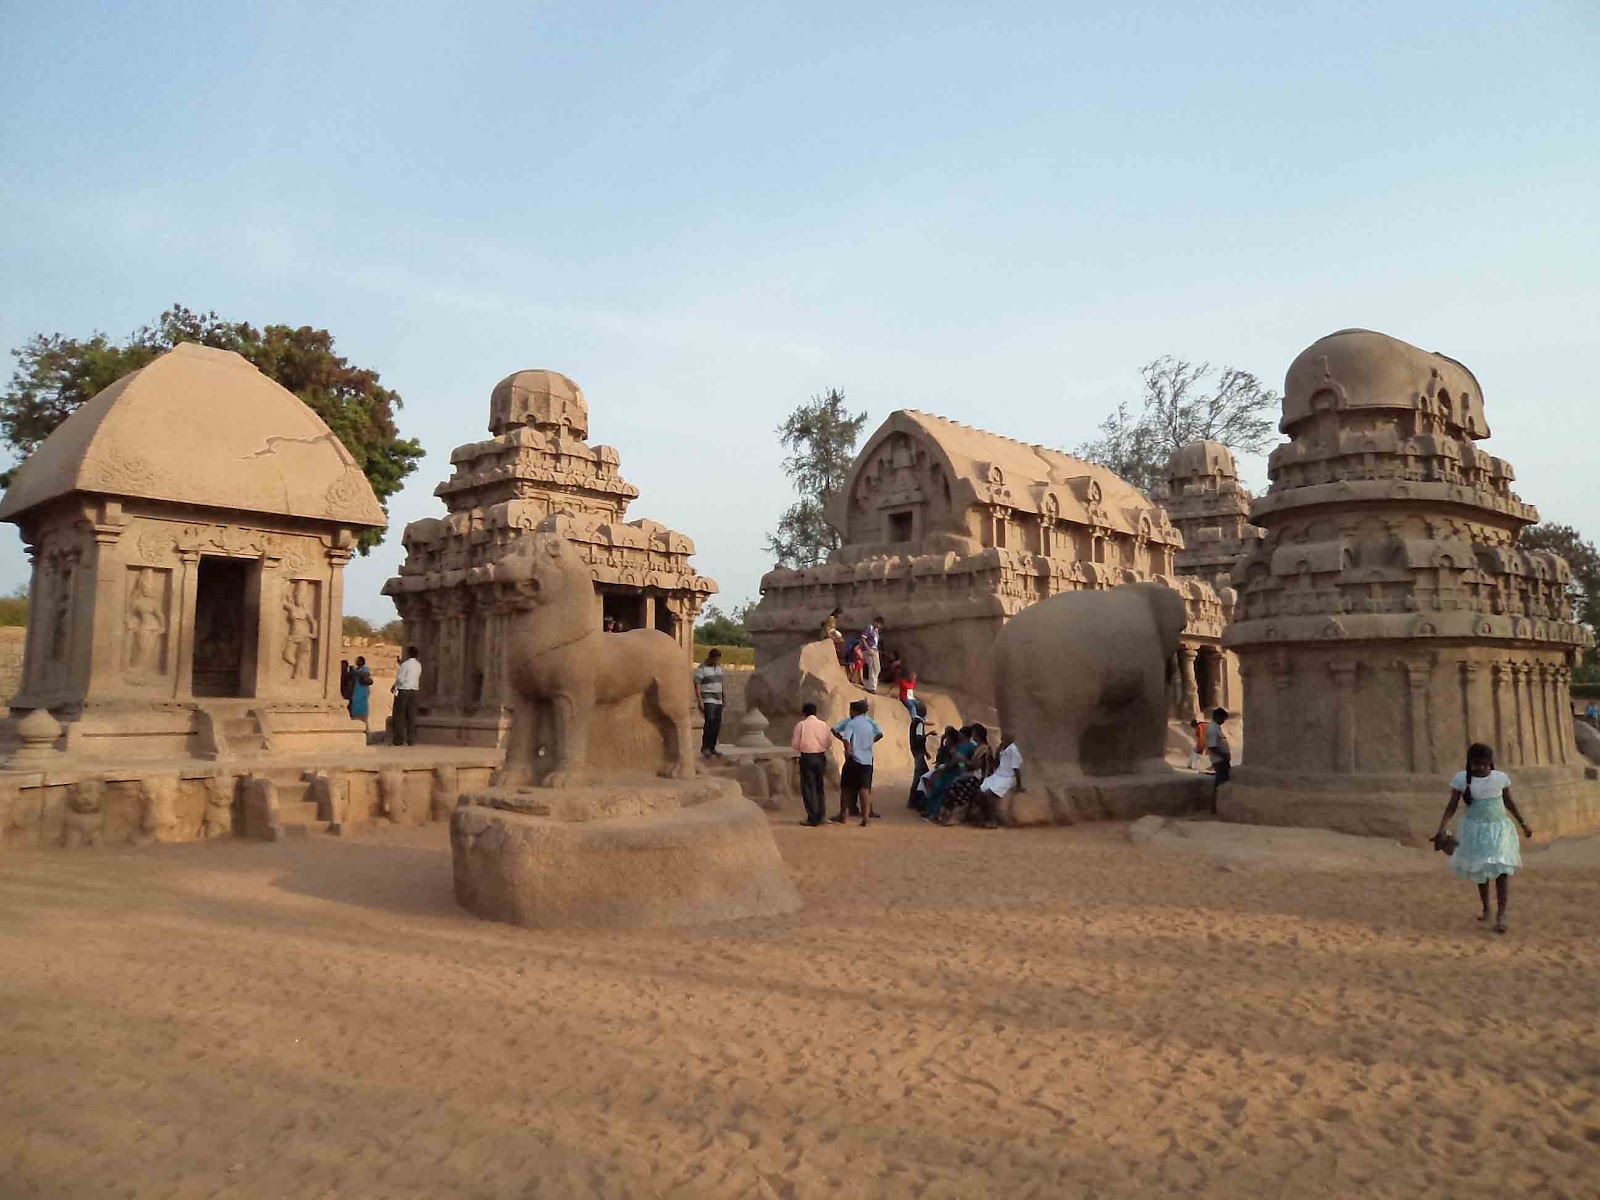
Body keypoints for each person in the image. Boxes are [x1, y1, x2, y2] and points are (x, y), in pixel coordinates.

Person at [1433, 742, 1533, 933]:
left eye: (1484, 764)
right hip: (1475, 830)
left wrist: (1523, 823)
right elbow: (1451, 806)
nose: (1480, 768)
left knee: (1502, 870)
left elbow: (1509, 802)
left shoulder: (1501, 778)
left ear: (1491, 763)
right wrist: (1442, 828)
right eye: (1476, 764)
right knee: (1481, 871)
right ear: (1470, 763)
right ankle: (1486, 908)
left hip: (1499, 830)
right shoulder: (1462, 780)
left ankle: (1501, 915)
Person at [830, 698, 883, 827]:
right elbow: (880, 734)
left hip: (854, 758)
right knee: (864, 789)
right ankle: (865, 818)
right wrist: (870, 742)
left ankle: (844, 816)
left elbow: (847, 739)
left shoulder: (851, 724)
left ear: (854, 711)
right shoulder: (870, 723)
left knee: (846, 788)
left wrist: (848, 751)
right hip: (867, 759)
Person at [931, 724, 995, 825]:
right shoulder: (977, 747)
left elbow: (976, 766)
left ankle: (956, 818)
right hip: (972, 774)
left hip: (979, 776)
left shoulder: (983, 749)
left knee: (961, 789)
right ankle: (944, 815)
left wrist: (962, 760)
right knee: (952, 786)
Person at [790, 701, 831, 826]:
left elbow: (795, 744)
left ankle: (812, 817)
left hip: (807, 757)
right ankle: (822, 815)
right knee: (819, 787)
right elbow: (829, 742)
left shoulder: (801, 725)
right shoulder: (823, 725)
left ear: (804, 713)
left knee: (808, 787)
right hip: (820, 756)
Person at [974, 734, 1023, 829]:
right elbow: (996, 764)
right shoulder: (1003, 750)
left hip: (1007, 778)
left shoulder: (1014, 751)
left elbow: (1016, 769)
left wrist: (1018, 784)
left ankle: (992, 820)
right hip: (997, 775)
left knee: (989, 794)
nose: (1002, 740)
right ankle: (984, 818)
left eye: (1004, 739)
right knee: (979, 791)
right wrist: (997, 751)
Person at [693, 648, 725, 758]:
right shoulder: (702, 669)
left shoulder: (719, 668)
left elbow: (721, 684)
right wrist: (700, 700)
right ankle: (705, 747)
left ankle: (712, 747)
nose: (717, 661)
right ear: (710, 658)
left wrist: (723, 697)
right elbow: (697, 684)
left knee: (716, 724)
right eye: (715, 659)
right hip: (708, 698)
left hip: (718, 699)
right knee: (709, 722)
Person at [391, 646, 422, 746]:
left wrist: (394, 686)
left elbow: (400, 678)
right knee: (411, 715)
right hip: (414, 691)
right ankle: (411, 739)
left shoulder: (405, 665)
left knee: (399, 715)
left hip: (404, 690)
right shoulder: (418, 665)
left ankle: (400, 738)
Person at [906, 697, 932, 810]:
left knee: (922, 773)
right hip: (918, 751)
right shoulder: (919, 723)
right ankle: (914, 801)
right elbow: (919, 738)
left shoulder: (914, 722)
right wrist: (929, 734)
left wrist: (925, 752)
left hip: (917, 750)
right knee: (919, 776)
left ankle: (916, 800)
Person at [1205, 707, 1231, 809]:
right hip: (1219, 761)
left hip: (1222, 760)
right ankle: (1216, 806)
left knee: (1221, 782)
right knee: (1221, 783)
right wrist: (1224, 756)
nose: (1224, 721)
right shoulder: (1212, 729)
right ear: (1218, 717)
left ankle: (1217, 805)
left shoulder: (1216, 728)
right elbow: (1212, 747)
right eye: (1223, 719)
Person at [349, 655, 374, 733]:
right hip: (356, 692)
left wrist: (355, 671)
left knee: (363, 712)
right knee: (355, 710)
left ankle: (366, 729)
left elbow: (364, 675)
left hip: (362, 692)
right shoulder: (357, 669)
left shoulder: (365, 669)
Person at [860, 616, 885, 692]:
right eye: (879, 624)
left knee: (877, 668)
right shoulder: (869, 628)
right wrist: (868, 649)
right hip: (870, 650)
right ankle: (871, 687)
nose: (879, 626)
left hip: (874, 650)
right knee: (873, 668)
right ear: (876, 622)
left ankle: (870, 685)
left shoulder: (876, 631)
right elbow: (863, 638)